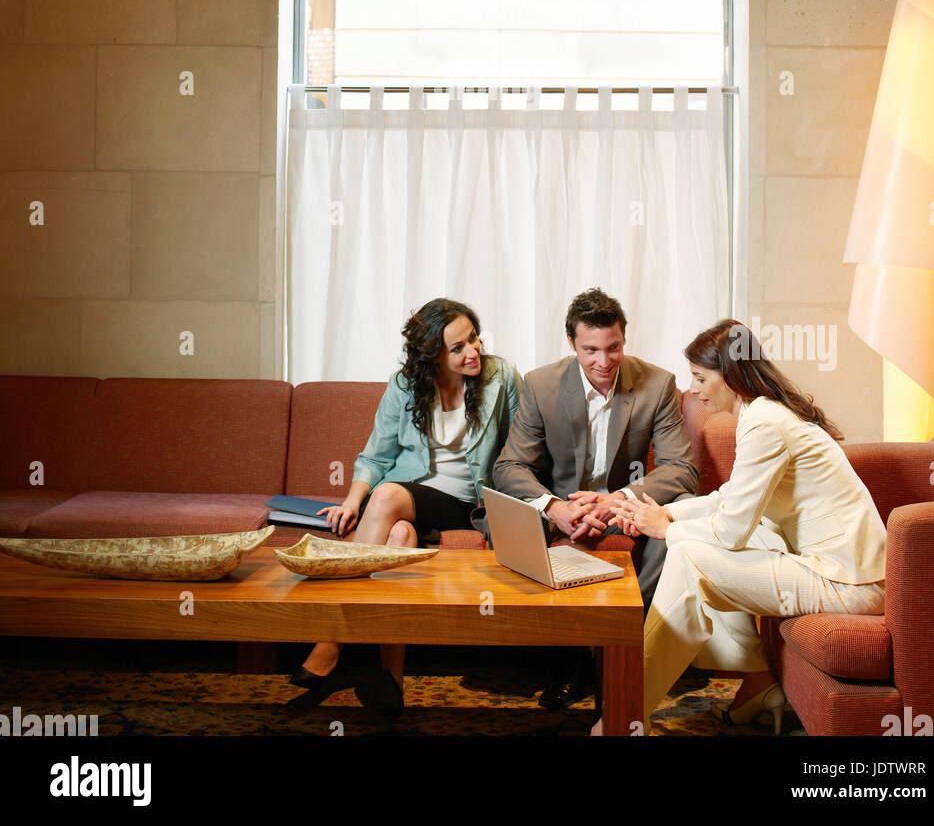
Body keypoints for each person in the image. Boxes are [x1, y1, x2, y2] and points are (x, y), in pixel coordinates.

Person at [604, 318, 887, 735]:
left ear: (731, 376)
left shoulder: (765, 423)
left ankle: (623, 714)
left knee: (690, 556)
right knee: (701, 541)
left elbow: (730, 531)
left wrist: (666, 531)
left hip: (850, 584)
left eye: (701, 378)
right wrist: (669, 514)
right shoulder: (764, 413)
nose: (695, 390)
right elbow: (731, 499)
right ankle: (757, 681)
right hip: (835, 568)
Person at [289, 298, 522, 717]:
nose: (474, 351)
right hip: (413, 496)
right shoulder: (404, 385)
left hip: (470, 502)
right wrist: (350, 501)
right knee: (398, 537)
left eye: (473, 338)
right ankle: (389, 681)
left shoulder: (500, 376)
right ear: (433, 355)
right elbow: (376, 456)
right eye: (458, 347)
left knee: (387, 495)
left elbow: (522, 444)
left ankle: (333, 635)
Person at [491, 286, 698, 710]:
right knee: (514, 520)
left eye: (613, 347)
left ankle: (620, 656)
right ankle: (578, 661)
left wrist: (619, 499)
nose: (603, 362)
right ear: (572, 344)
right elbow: (509, 468)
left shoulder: (658, 384)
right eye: (590, 350)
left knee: (671, 530)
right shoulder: (541, 385)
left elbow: (681, 468)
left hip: (626, 504)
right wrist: (557, 508)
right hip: (562, 506)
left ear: (624, 339)